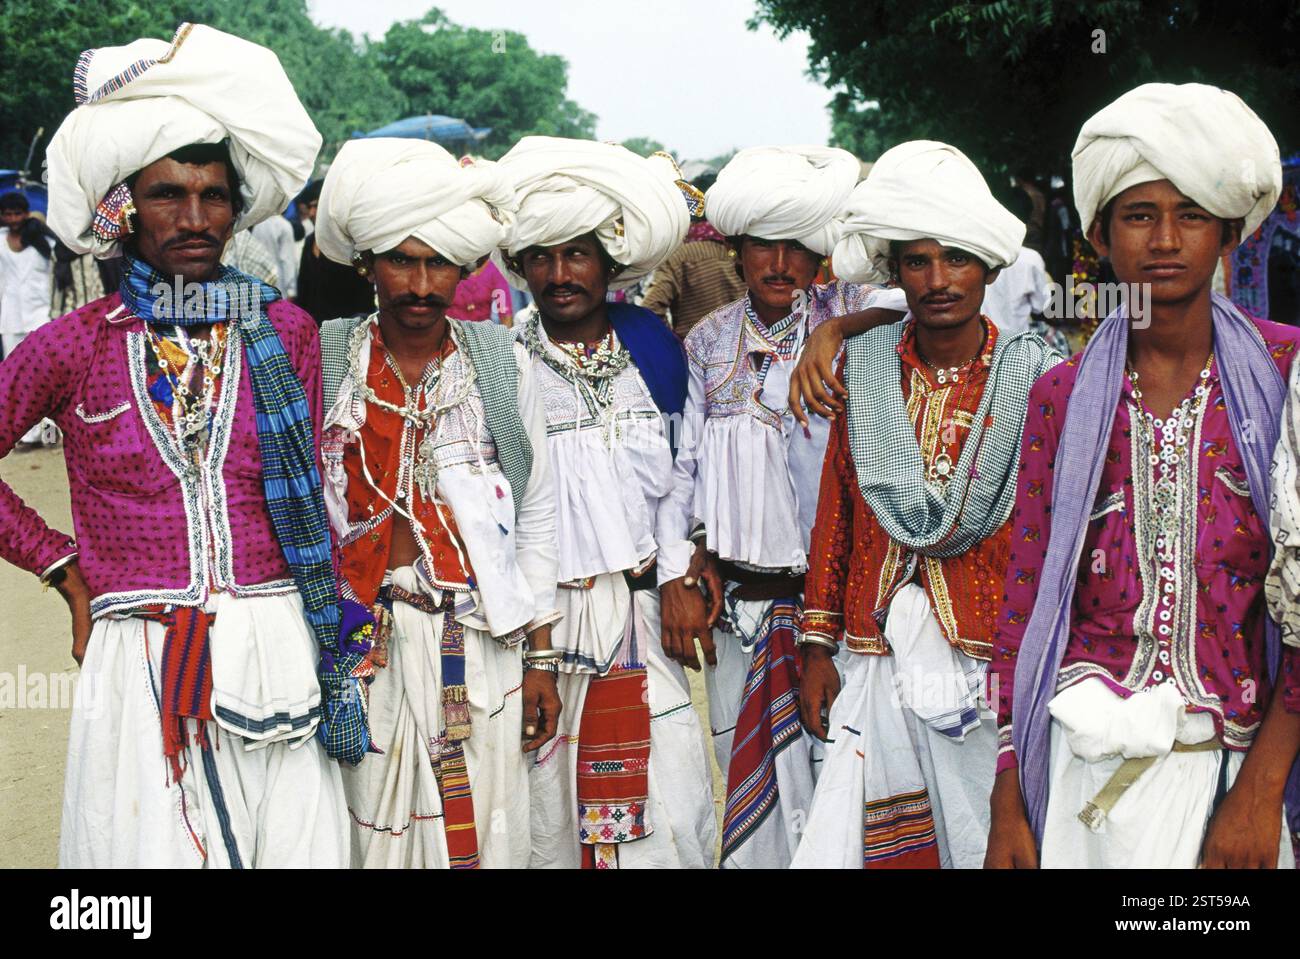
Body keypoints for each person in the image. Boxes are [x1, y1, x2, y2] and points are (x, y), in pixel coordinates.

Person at [5, 23, 366, 868]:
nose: (195, 217)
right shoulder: (78, 343)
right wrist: (61, 568)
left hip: (279, 643)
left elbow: (311, 492)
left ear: (237, 209)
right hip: (141, 655)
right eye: (169, 194)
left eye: (213, 195)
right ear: (123, 209)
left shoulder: (287, 333)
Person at [986, 83, 1300, 869]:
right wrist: (1008, 795)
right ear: (1099, 235)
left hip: (1233, 777)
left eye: (1191, 213)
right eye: (1138, 214)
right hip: (1083, 775)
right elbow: (1023, 601)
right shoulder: (1060, 395)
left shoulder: (1286, 372)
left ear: (1228, 230)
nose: (1165, 238)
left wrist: (1259, 791)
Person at [788, 141, 1060, 868]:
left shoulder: (1037, 378)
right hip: (872, 650)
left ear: (992, 267)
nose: (938, 280)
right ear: (895, 272)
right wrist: (816, 644)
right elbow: (836, 515)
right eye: (917, 261)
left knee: (981, 837)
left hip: (987, 656)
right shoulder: (866, 368)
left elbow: (1048, 536)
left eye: (957, 259)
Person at [313, 138, 561, 869]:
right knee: (368, 833)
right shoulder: (327, 358)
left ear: (464, 267)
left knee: (480, 833)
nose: (421, 284)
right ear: (367, 265)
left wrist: (541, 657)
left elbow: (538, 509)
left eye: (438, 263)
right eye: (400, 260)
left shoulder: (497, 362)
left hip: (478, 647)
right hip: (364, 655)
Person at [656, 145, 906, 868]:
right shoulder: (707, 342)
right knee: (754, 780)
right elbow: (685, 468)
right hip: (744, 606)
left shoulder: (852, 311)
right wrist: (683, 564)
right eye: (764, 243)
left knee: (842, 783)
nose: (780, 262)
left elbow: (912, 305)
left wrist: (835, 332)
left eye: (798, 244)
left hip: (841, 610)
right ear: (736, 251)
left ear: (820, 251)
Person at [496, 136, 717, 868]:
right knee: (549, 810)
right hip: (543, 629)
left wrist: (681, 575)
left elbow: (683, 473)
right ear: (522, 265)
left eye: (578, 254)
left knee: (667, 801)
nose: (560, 275)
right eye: (543, 257)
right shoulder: (505, 365)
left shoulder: (652, 348)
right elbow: (512, 516)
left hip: (642, 610)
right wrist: (533, 642)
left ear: (608, 262)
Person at [640, 173, 748, 338]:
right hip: (746, 353)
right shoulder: (745, 251)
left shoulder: (679, 256)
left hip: (695, 358)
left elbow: (651, 308)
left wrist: (674, 345)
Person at [1, 207, 56, 445]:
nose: (13, 219)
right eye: (7, 214)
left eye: (17, 213)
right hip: (10, 315)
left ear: (26, 214)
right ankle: (26, 434)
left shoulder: (45, 240)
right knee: (14, 376)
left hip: (40, 313)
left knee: (46, 374)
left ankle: (50, 432)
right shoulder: (0, 240)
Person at [295, 178, 374, 324]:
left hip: (346, 332)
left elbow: (363, 296)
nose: (311, 213)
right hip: (313, 332)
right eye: (309, 207)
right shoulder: (309, 242)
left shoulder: (349, 244)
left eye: (316, 206)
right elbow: (303, 289)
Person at [447, 257, 513, 325]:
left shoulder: (494, 269)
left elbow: (504, 309)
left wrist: (506, 334)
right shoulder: (451, 265)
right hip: (452, 329)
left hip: (482, 331)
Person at [252, 210, 299, 297]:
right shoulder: (284, 226)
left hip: (259, 286)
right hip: (279, 286)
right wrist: (291, 291)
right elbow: (287, 260)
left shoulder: (257, 226)